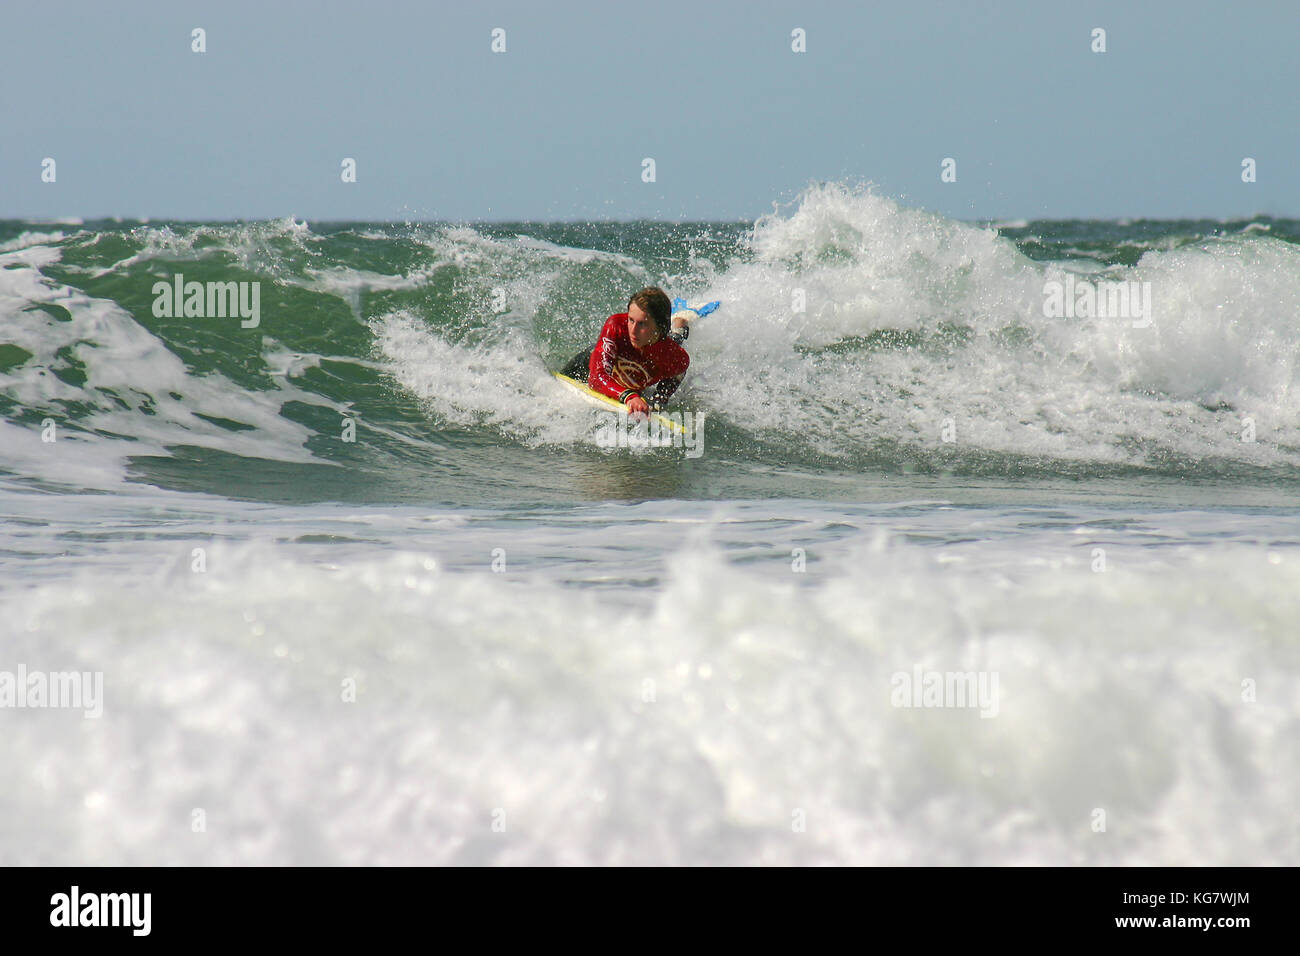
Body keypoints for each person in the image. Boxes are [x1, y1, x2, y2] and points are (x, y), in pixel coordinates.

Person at [560, 287, 691, 416]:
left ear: (659, 326)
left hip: (655, 349)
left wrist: (657, 401)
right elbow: (595, 378)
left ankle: (680, 322)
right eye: (631, 320)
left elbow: (679, 372)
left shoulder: (674, 356)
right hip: (586, 368)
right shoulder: (616, 326)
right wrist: (629, 396)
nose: (632, 330)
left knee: (675, 340)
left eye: (642, 324)